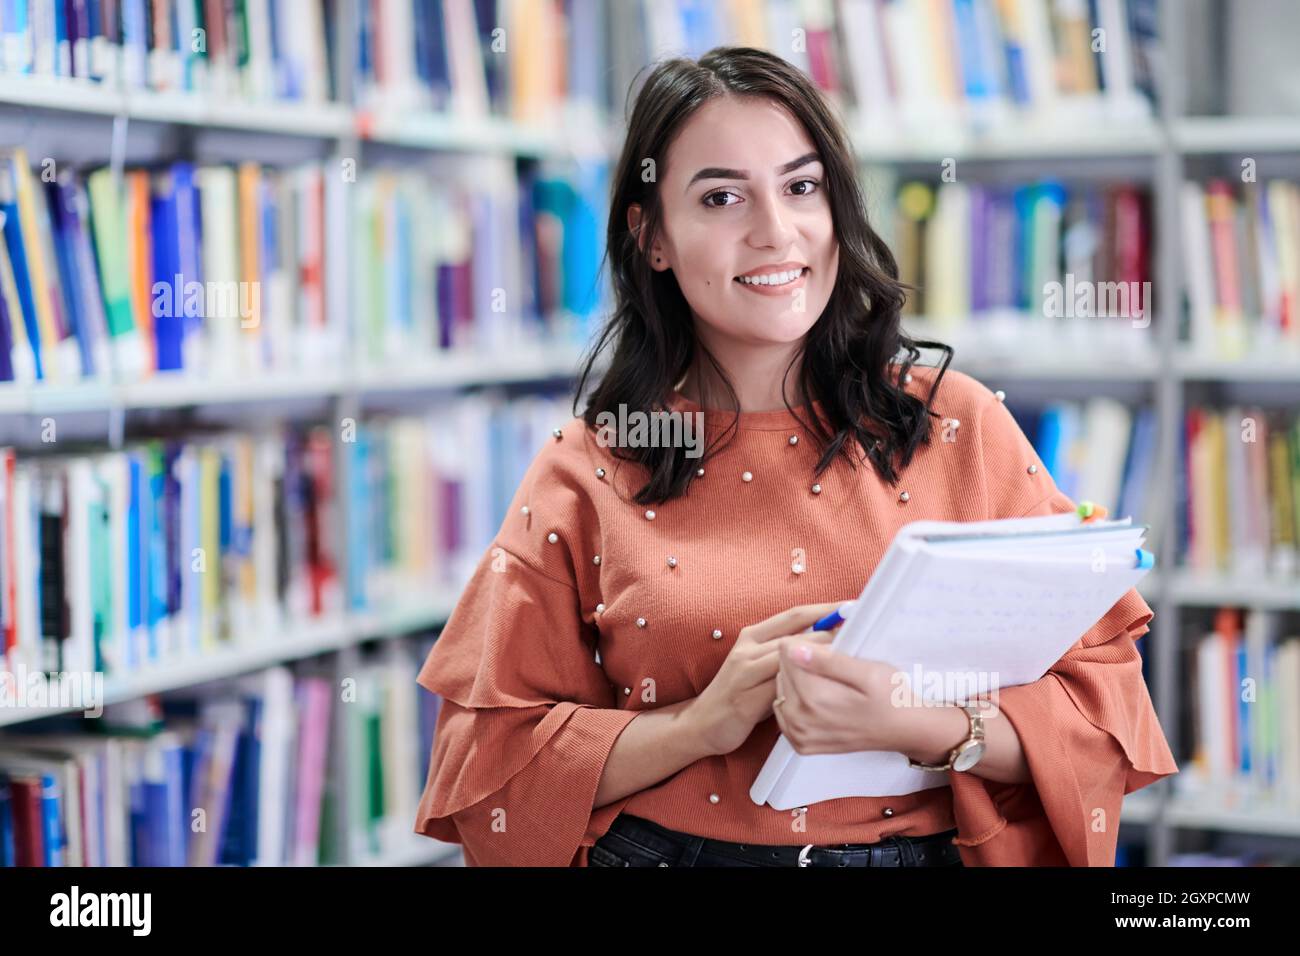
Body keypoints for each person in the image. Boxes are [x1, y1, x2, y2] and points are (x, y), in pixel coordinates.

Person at [411, 46, 1177, 867]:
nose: (776, 231)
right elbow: (489, 767)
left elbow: (1105, 716)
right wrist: (701, 724)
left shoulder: (957, 422)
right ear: (653, 237)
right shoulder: (591, 460)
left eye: (801, 187)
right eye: (721, 197)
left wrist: (921, 722)